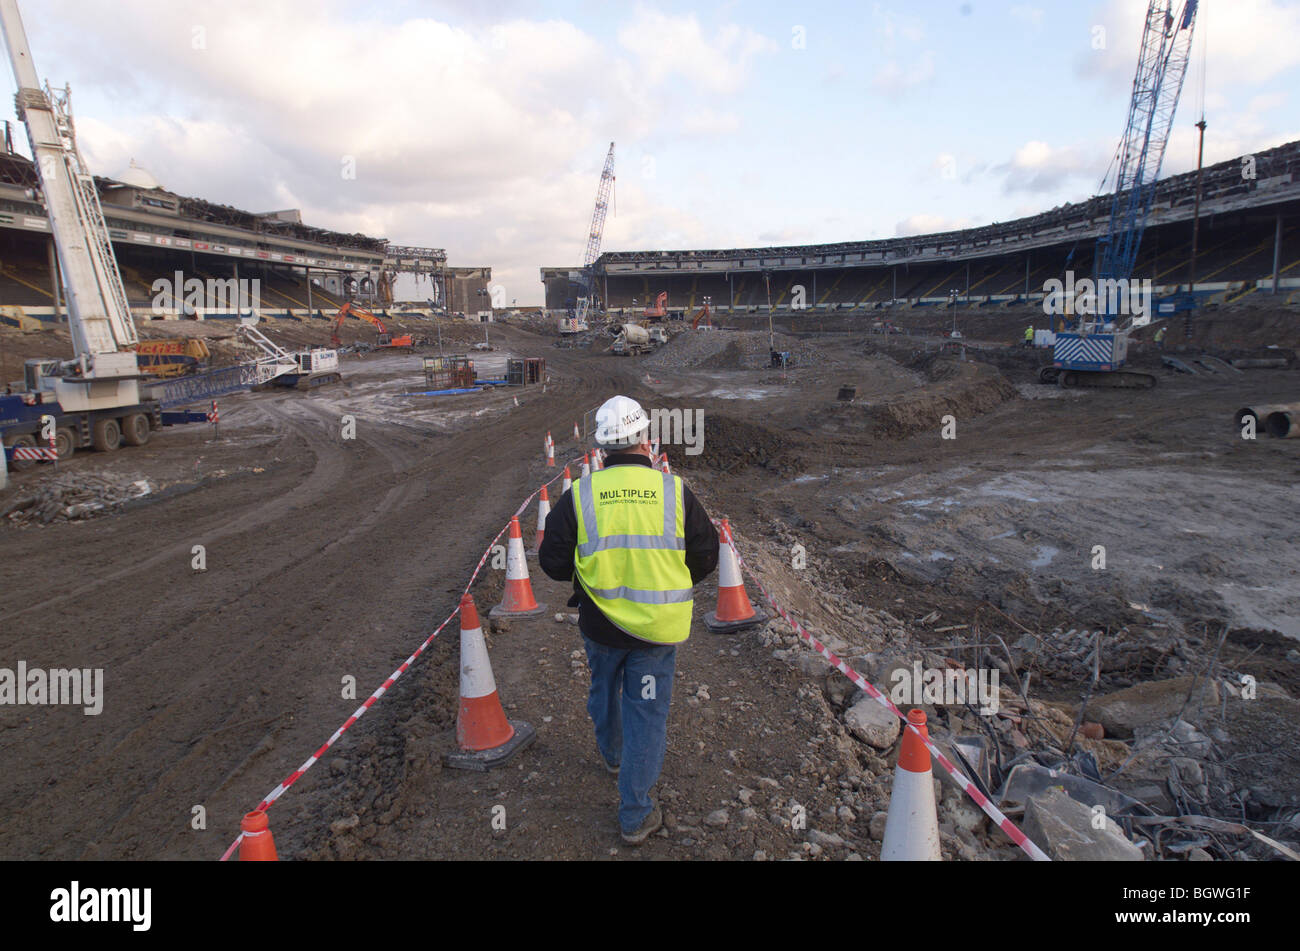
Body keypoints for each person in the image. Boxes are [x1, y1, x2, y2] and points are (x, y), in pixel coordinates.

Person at [539, 395, 719, 845]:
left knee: (603, 690)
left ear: (601, 449)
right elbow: (706, 554)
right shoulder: (674, 491)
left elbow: (552, 561)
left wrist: (589, 577)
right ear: (646, 441)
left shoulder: (581, 494)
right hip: (655, 634)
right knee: (646, 715)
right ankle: (635, 814)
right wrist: (671, 578)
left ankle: (612, 754)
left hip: (600, 626)